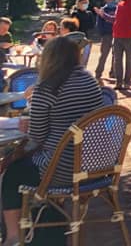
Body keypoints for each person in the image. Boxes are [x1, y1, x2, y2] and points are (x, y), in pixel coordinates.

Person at [1, 36, 103, 243]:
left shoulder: (47, 88)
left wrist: (29, 127)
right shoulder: (90, 81)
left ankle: (13, 236)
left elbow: (37, 137)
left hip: (61, 170)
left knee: (11, 174)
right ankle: (47, 218)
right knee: (24, 165)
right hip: (95, 166)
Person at [92, 0, 118, 83]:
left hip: (116, 34)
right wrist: (102, 33)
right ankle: (98, 72)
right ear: (106, 0)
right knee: (104, 54)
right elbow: (99, 24)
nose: (112, 1)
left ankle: (113, 72)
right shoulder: (103, 10)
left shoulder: (117, 9)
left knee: (116, 54)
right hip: (106, 34)